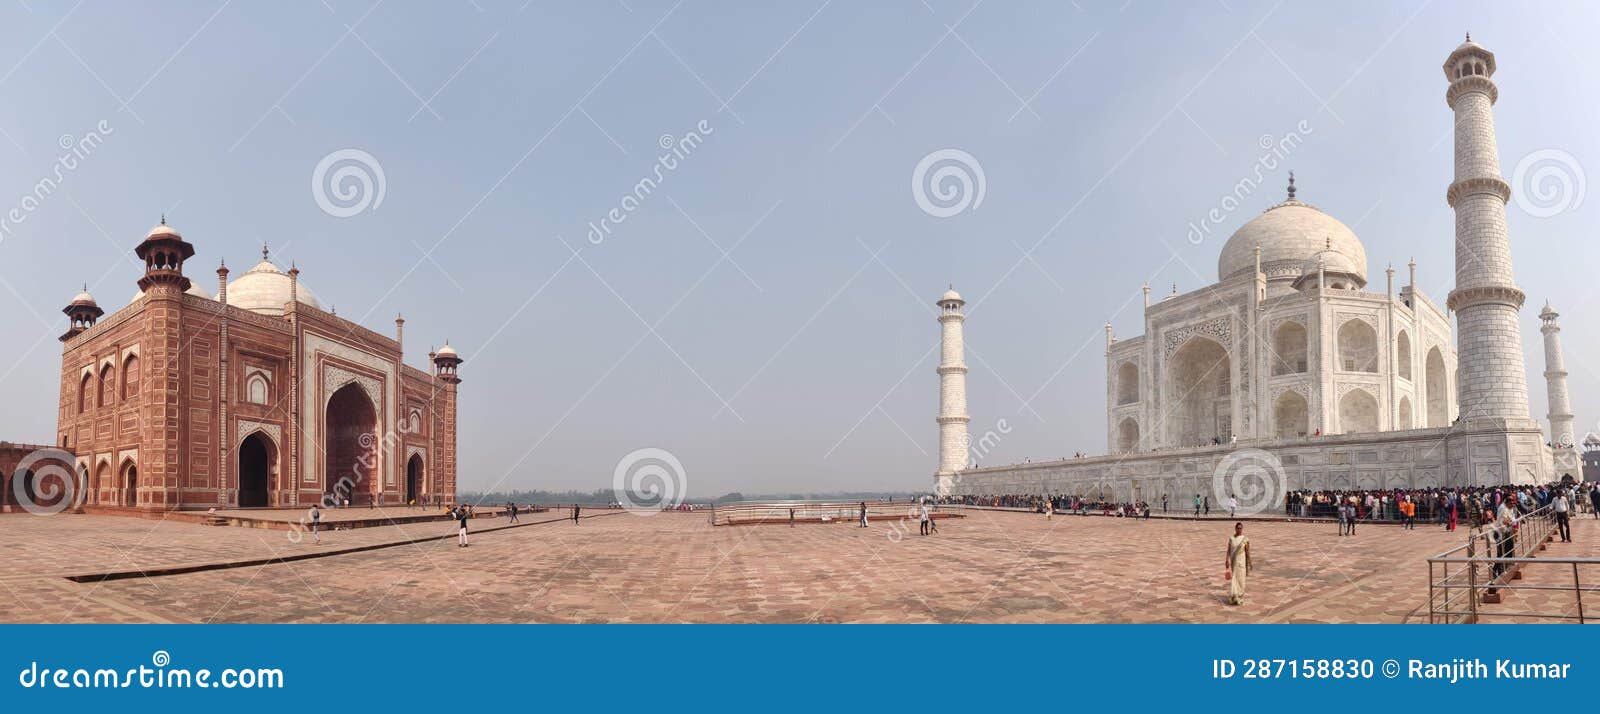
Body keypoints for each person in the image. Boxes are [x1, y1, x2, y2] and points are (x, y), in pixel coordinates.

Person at [1224, 522, 1251, 606]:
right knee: (1234, 578)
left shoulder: (1245, 539)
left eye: (1241, 528)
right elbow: (1228, 550)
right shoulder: (1231, 539)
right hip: (1233, 562)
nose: (1239, 530)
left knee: (1241, 579)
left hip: (1241, 562)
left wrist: (1250, 562)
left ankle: (1239, 596)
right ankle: (1234, 595)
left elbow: (1247, 552)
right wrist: (1226, 560)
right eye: (1238, 528)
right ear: (1235, 529)